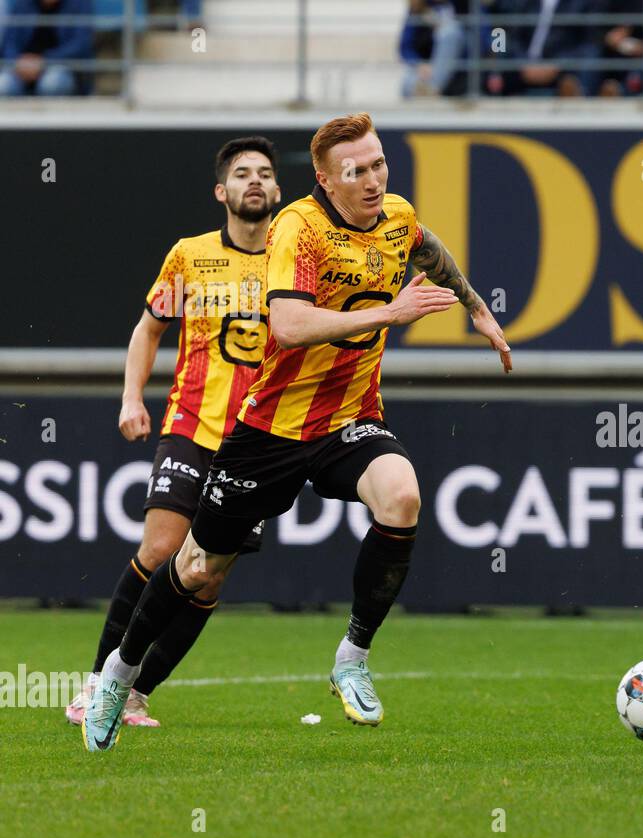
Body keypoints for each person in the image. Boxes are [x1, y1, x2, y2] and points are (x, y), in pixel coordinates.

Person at [81, 113, 513, 752]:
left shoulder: (395, 214)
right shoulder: (299, 230)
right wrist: (393, 311)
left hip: (349, 418)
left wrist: (476, 307)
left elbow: (429, 250)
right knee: (196, 566)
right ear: (325, 179)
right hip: (272, 427)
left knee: (402, 496)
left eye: (378, 164)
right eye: (355, 172)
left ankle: (352, 656)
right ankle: (118, 677)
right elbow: (286, 324)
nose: (372, 181)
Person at [65, 137, 280, 730]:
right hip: (190, 424)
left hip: (259, 443)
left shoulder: (292, 262)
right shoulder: (189, 255)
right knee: (162, 550)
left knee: (206, 576)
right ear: (222, 191)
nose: (254, 181)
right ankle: (95, 685)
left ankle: (135, 693)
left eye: (264, 173)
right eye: (242, 174)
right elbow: (149, 329)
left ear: (279, 191)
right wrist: (132, 397)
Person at [1, 0, 93, 97]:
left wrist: (43, 62)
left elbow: (80, 46)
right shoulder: (23, 3)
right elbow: (9, 43)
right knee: (4, 85)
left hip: (61, 67)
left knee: (52, 84)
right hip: (23, 68)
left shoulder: (80, 3)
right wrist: (18, 62)